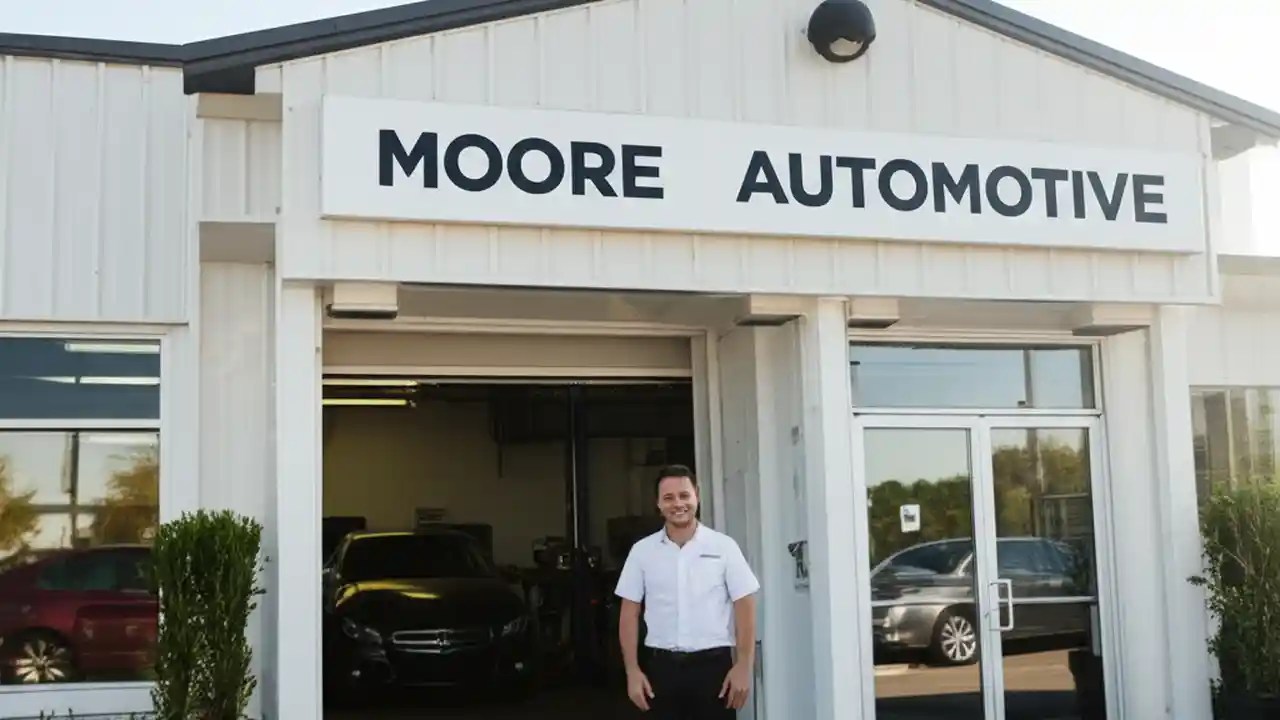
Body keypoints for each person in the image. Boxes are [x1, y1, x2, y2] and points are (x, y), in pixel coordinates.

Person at [614, 464, 760, 718]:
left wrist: (743, 666)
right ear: (658, 504)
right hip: (661, 672)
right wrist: (632, 671)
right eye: (668, 498)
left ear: (697, 496)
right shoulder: (642, 552)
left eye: (684, 495)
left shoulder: (724, 547)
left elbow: (744, 605)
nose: (677, 504)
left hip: (713, 672)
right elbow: (629, 613)